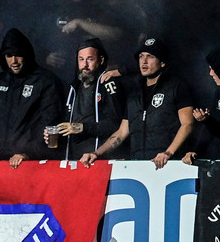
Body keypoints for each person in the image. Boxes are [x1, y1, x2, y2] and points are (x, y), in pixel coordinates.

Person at [80, 37, 196, 168]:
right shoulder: (134, 92)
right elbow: (122, 132)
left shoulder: (177, 87)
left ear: (162, 62)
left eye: (150, 56)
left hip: (169, 164)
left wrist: (168, 153)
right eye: (141, 56)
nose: (144, 61)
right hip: (139, 167)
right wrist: (96, 153)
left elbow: (188, 124)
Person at [0, 28, 61, 167]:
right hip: (0, 160)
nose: (14, 61)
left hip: (30, 161)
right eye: (9, 55)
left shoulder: (45, 81)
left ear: (27, 54)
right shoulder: (0, 82)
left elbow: (49, 123)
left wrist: (28, 153)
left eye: (18, 55)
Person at [49, 37, 125, 162]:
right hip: (73, 161)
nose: (85, 65)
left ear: (101, 60)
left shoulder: (107, 83)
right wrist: (56, 133)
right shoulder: (73, 88)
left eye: (90, 59)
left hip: (98, 160)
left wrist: (82, 127)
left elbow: (115, 125)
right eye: (81, 59)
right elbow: (68, 125)